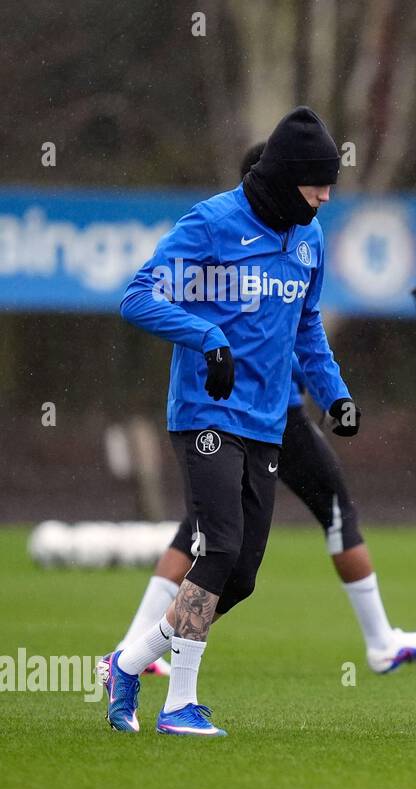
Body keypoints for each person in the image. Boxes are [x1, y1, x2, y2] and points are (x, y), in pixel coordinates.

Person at [104, 107, 356, 737]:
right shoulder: (212, 224)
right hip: (205, 413)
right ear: (287, 176)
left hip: (267, 423)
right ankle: (179, 707)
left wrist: (335, 394)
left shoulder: (309, 237)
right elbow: (139, 297)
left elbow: (306, 328)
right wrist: (208, 337)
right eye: (317, 183)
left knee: (240, 575)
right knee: (218, 546)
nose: (326, 196)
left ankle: (128, 663)